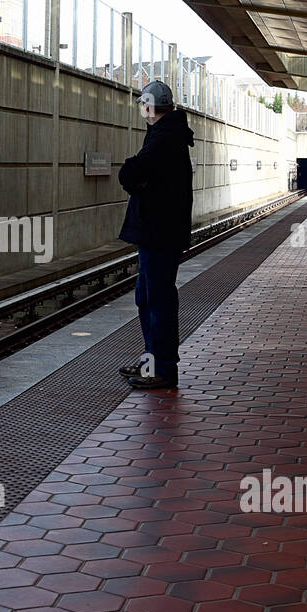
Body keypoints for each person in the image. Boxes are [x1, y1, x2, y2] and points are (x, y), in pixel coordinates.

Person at [117, 80, 194, 390]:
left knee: (157, 299)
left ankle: (161, 368)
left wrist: (134, 176)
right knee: (148, 297)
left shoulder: (164, 138)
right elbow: (141, 177)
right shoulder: (166, 135)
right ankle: (153, 362)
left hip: (159, 233)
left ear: (148, 107)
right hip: (159, 231)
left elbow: (132, 173)